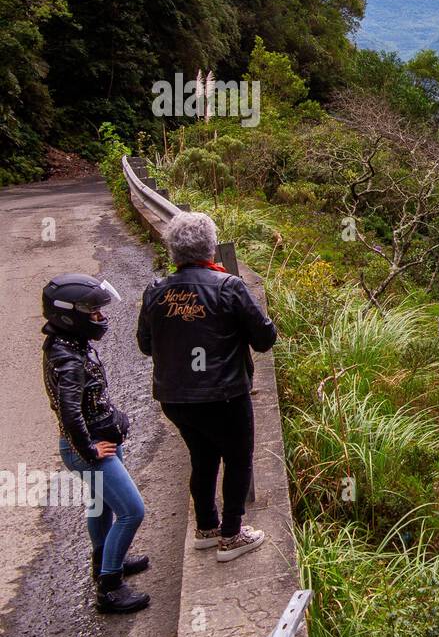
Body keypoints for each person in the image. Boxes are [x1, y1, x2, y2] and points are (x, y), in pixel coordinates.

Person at [137, 212, 277, 563]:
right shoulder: (229, 287)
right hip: (224, 394)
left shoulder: (156, 291)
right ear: (211, 247)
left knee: (202, 458)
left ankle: (206, 527)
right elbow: (264, 338)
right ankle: (231, 534)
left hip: (176, 397)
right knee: (238, 458)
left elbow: (145, 343)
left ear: (173, 250)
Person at [41, 273, 150, 614]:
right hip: (89, 448)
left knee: (100, 506)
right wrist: (88, 450)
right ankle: (110, 586)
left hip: (97, 441)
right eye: (92, 311)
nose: (100, 317)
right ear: (68, 314)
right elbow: (71, 412)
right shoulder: (68, 359)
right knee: (132, 511)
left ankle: (106, 558)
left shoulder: (68, 344)